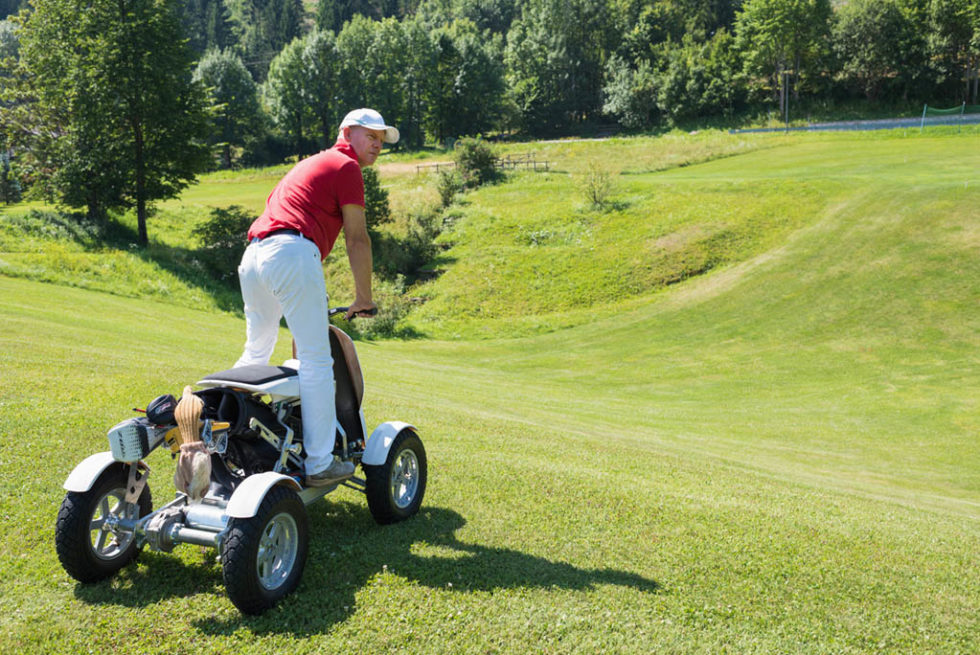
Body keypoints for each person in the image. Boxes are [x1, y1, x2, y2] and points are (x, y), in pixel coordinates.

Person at [234, 108, 399, 487]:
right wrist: (363, 297)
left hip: (254, 257)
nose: (377, 144)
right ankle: (320, 462)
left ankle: (229, 433)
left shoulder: (311, 163)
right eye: (370, 135)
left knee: (256, 352)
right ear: (347, 132)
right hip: (290, 252)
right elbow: (357, 239)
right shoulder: (347, 166)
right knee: (316, 361)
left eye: (381, 139)